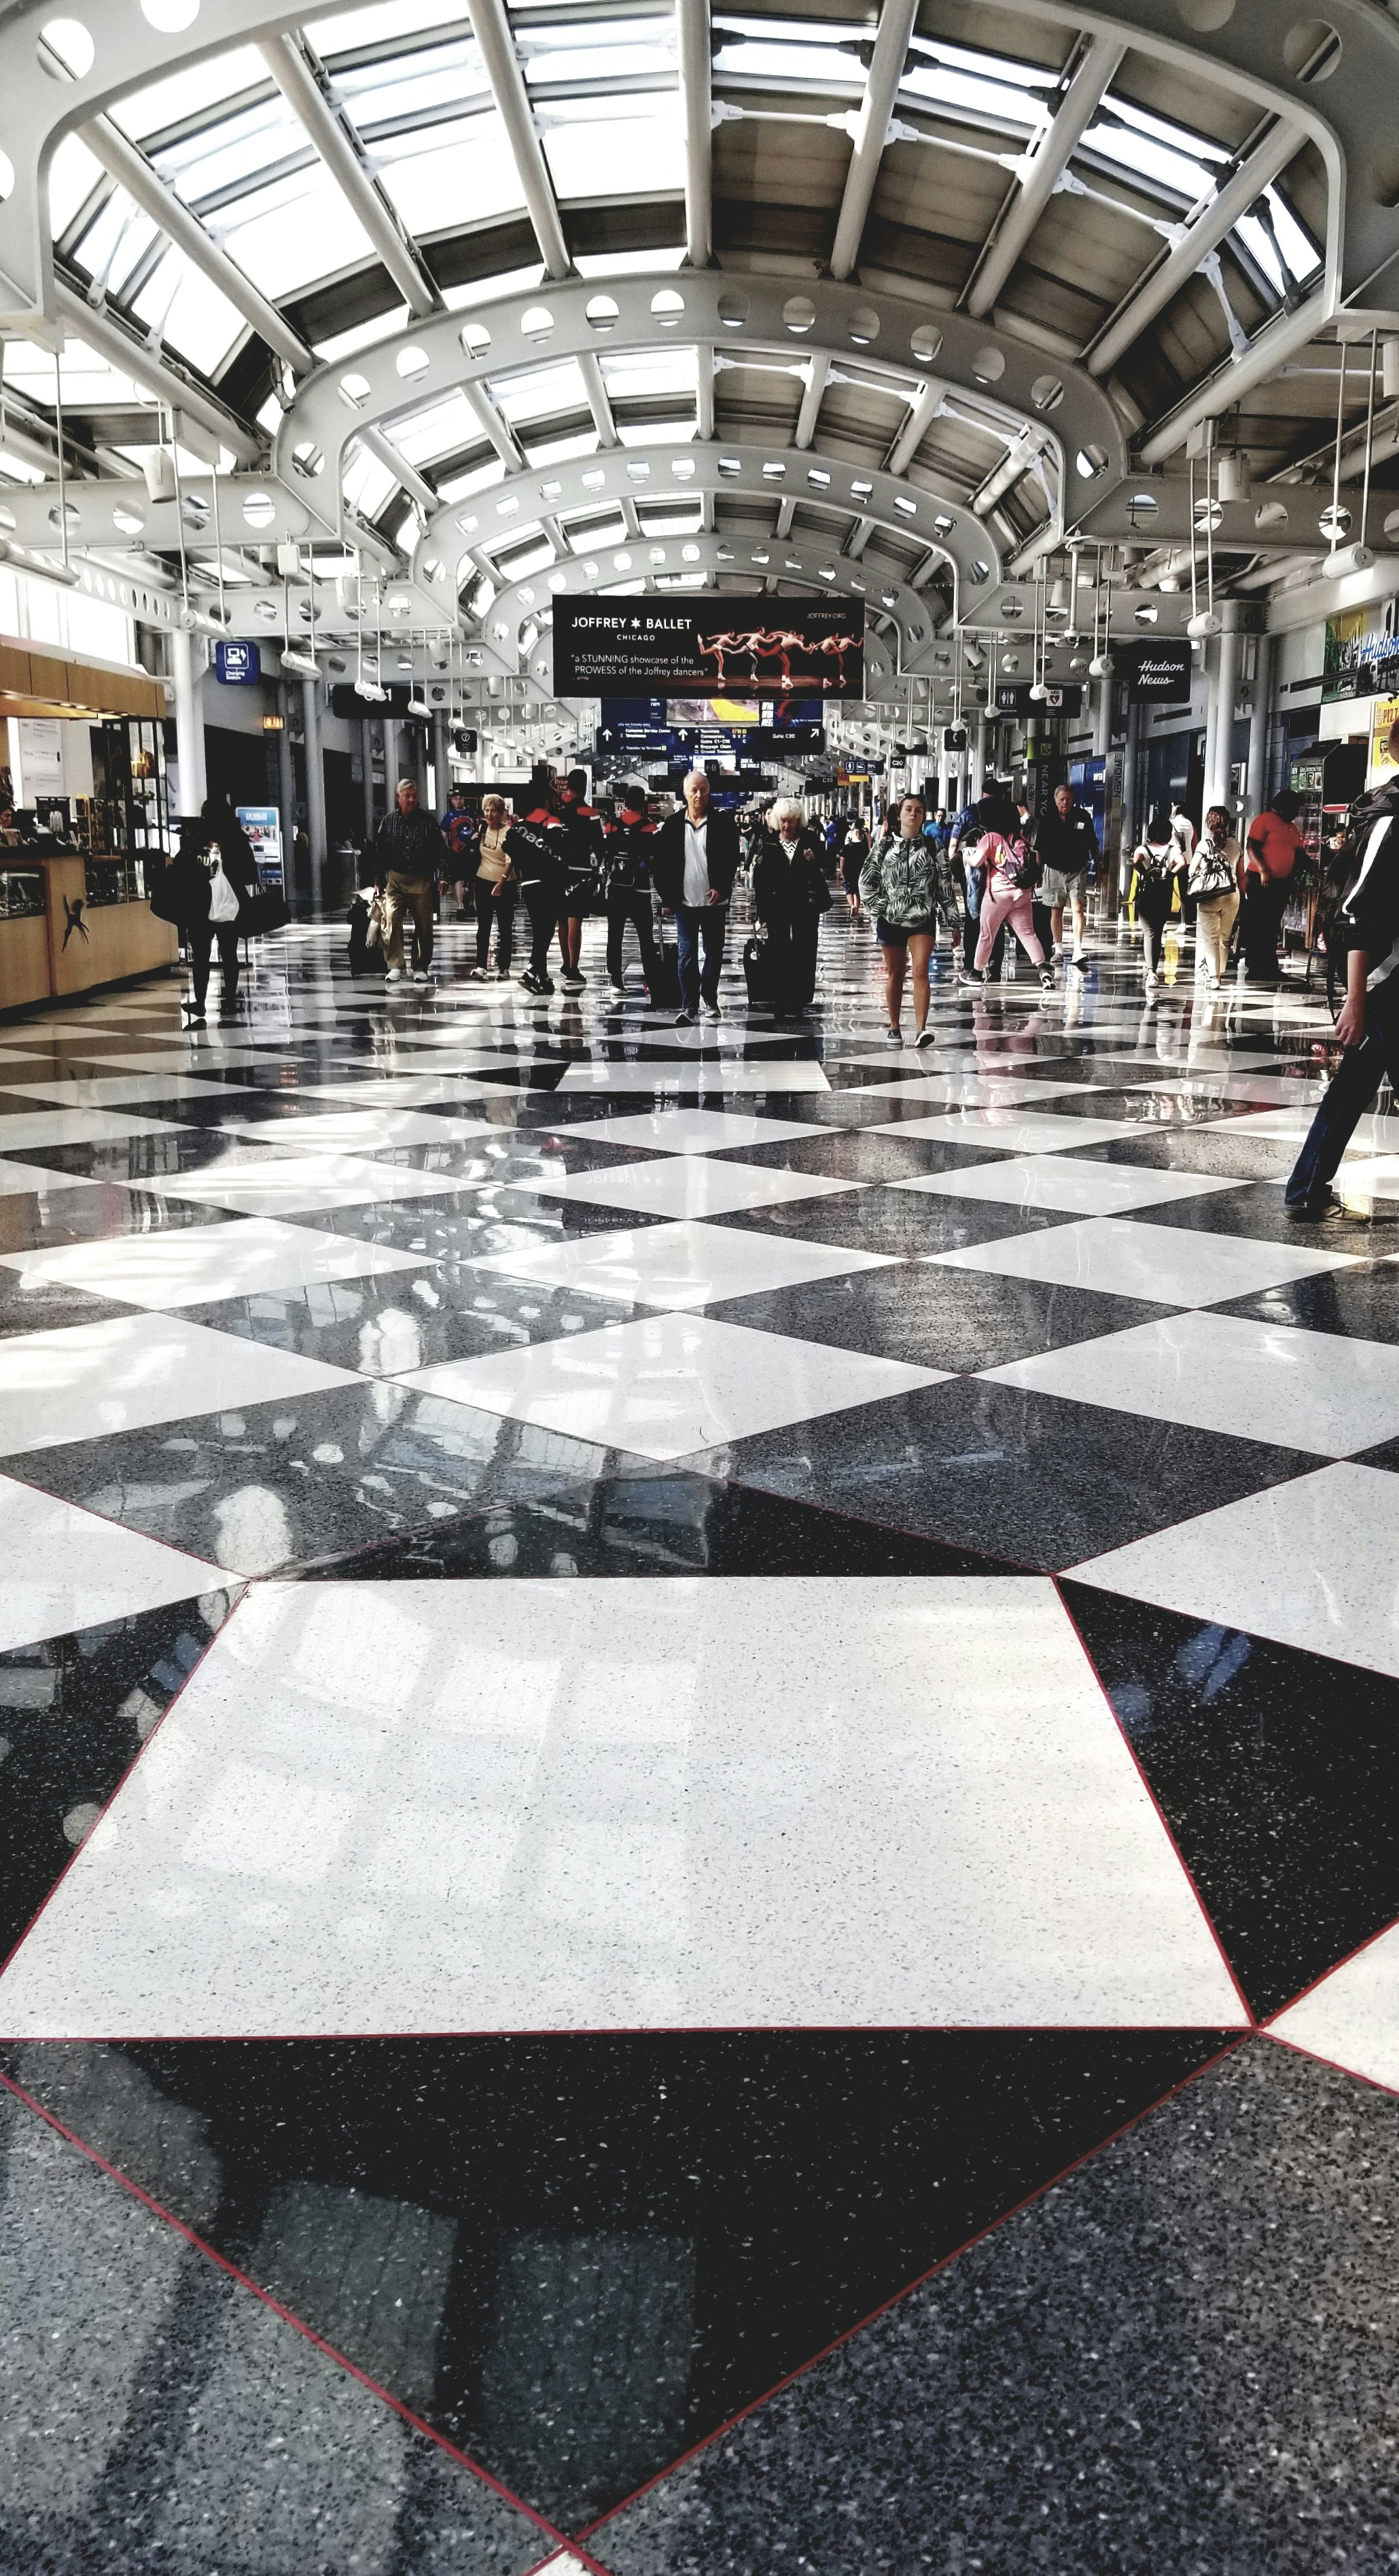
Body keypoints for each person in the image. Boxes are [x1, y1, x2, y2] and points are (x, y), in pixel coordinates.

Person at [1285, 722, 1399, 1220]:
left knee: (1352, 1085)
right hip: (1384, 981)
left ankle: (1305, 1190)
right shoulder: (1388, 819)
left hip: (1383, 981)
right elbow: (1359, 912)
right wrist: (1355, 999)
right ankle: (1303, 1190)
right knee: (1353, 1082)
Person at [859, 790, 964, 1047]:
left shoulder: (932, 847)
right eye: (908, 809)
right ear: (900, 813)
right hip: (891, 920)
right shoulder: (884, 846)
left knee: (920, 971)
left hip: (923, 919)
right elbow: (866, 881)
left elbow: (944, 885)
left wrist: (954, 922)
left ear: (923, 816)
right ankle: (894, 1027)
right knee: (895, 973)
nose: (913, 814)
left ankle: (921, 1029)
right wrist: (881, 906)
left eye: (918, 810)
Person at [650, 770, 741, 1025]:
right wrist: (667, 898)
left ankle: (710, 999)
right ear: (685, 793)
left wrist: (721, 887)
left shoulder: (722, 823)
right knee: (687, 954)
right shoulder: (673, 825)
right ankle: (688, 1005)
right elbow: (662, 865)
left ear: (709, 792)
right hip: (684, 903)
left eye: (703, 789)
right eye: (694, 790)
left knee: (714, 952)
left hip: (714, 902)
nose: (699, 794)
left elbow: (731, 858)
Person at [167, 816, 258, 1024]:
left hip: (199, 907)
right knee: (229, 955)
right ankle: (229, 1000)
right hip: (230, 907)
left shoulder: (195, 842)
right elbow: (250, 876)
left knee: (201, 957)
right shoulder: (237, 843)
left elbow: (180, 868)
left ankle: (200, 1002)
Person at [751, 797, 832, 1019]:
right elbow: (761, 880)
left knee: (804, 952)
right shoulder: (768, 843)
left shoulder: (810, 840)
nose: (788, 826)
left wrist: (815, 859)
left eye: (792, 821)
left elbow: (826, 862)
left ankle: (800, 998)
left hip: (805, 906)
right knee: (779, 951)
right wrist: (762, 912)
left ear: (799, 821)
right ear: (778, 821)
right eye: (784, 821)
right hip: (777, 906)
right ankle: (780, 997)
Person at [970, 797, 1053, 993]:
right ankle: (1043, 970)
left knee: (987, 934)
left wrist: (967, 855)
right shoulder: (1019, 838)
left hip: (998, 895)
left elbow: (976, 861)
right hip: (1022, 894)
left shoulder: (990, 838)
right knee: (1028, 933)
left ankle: (976, 972)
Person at [372, 778, 448, 987]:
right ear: (399, 798)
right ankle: (396, 965)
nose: (412, 799)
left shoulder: (427, 821)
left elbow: (441, 850)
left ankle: (421, 966)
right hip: (395, 878)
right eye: (408, 796)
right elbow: (379, 852)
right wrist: (378, 880)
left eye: (415, 796)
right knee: (392, 918)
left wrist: (443, 876)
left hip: (421, 879)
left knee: (423, 923)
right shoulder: (389, 821)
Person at [504, 784, 567, 996]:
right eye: (554, 799)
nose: (557, 802)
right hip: (548, 884)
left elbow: (509, 848)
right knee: (546, 932)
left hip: (528, 885)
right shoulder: (552, 822)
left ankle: (543, 977)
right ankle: (531, 971)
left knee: (540, 931)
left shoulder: (519, 826)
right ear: (547, 801)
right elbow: (560, 850)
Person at [601, 784, 660, 1000]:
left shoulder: (613, 825)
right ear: (643, 804)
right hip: (640, 889)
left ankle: (616, 980)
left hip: (617, 888)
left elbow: (606, 851)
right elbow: (655, 857)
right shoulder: (649, 827)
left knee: (614, 935)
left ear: (625, 803)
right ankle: (652, 980)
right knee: (646, 937)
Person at [1033, 782, 1099, 964]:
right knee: (1056, 909)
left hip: (1077, 870)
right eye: (1062, 799)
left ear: (1073, 800)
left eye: (1069, 799)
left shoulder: (1083, 817)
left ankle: (1078, 949)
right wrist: (1038, 874)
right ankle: (1058, 949)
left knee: (1078, 908)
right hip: (1054, 870)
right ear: (1055, 801)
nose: (1065, 803)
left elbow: (1093, 844)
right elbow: (1040, 849)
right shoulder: (1047, 820)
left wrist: (1099, 869)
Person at [1242, 788, 1303, 984]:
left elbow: (1299, 855)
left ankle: (1268, 966)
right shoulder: (1265, 820)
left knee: (1271, 926)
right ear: (1286, 807)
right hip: (1261, 881)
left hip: (1281, 883)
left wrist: (1317, 874)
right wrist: (1263, 869)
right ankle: (1255, 966)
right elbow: (1251, 846)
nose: (1297, 813)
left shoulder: (1292, 828)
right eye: (1295, 808)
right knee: (1259, 923)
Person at [556, 767, 605, 993]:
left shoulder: (558, 810)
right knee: (575, 919)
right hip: (581, 871)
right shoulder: (590, 812)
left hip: (558, 871)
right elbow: (599, 844)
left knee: (562, 920)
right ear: (585, 786)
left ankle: (566, 964)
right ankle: (574, 968)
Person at [1187, 803, 1243, 988]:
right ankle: (1220, 973)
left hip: (1209, 896)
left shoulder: (1205, 845)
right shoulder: (1236, 845)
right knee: (1224, 939)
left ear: (1208, 824)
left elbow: (1191, 870)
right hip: (1232, 895)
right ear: (1227, 824)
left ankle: (1214, 978)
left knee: (1210, 938)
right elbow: (1241, 876)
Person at [1132, 810, 1182, 989]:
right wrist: (1169, 875)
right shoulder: (1173, 850)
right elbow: (1182, 863)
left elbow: (1135, 861)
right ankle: (1154, 970)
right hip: (1164, 895)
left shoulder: (1143, 849)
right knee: (1158, 931)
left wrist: (1145, 873)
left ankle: (1151, 972)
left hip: (1146, 895)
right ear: (1168, 834)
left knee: (1148, 933)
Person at [468, 793, 516, 979]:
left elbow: (511, 859)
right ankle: (481, 965)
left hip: (505, 883)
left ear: (502, 813)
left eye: (493, 811)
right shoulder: (481, 830)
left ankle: (504, 967)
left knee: (505, 927)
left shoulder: (509, 832)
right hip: (483, 881)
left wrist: (503, 880)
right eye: (486, 810)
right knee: (484, 926)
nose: (489, 814)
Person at [439, 782, 476, 919]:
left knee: (472, 880)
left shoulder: (471, 813)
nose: (458, 801)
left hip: (471, 851)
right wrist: (441, 851)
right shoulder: (449, 816)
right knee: (458, 879)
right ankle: (460, 907)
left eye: (460, 798)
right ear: (452, 801)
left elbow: (478, 829)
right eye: (456, 798)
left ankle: (472, 905)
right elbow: (443, 834)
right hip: (456, 852)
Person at [840, 813, 870, 910]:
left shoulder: (848, 845)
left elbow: (842, 859)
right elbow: (868, 855)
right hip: (860, 869)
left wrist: (842, 871)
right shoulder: (864, 846)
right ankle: (856, 909)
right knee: (858, 891)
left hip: (849, 869)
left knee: (849, 890)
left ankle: (852, 905)